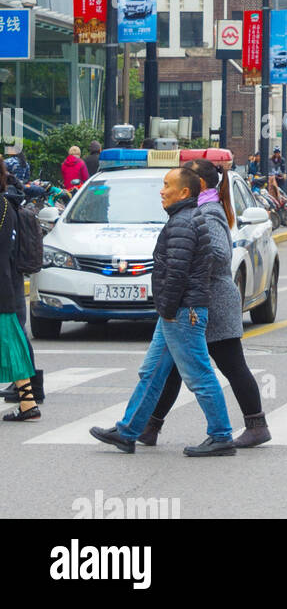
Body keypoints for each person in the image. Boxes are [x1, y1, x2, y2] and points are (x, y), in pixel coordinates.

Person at [90, 166, 235, 455]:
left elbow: (177, 273)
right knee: (152, 372)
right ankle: (128, 431)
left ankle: (221, 436)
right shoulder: (185, 218)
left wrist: (167, 310)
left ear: (184, 192)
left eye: (167, 184)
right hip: (176, 311)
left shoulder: (184, 222)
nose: (162, 190)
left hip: (182, 312)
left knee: (198, 374)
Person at [136, 160, 270, 449]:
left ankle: (256, 425)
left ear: (199, 184)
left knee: (232, 365)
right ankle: (150, 427)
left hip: (211, 303)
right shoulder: (201, 210)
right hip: (197, 300)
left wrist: (185, 263)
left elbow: (221, 255)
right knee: (171, 369)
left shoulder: (208, 212)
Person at [0, 161, 39, 424]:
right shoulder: (7, 204)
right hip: (7, 284)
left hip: (3, 285)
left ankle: (28, 402)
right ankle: (28, 402)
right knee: (12, 341)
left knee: (11, 341)